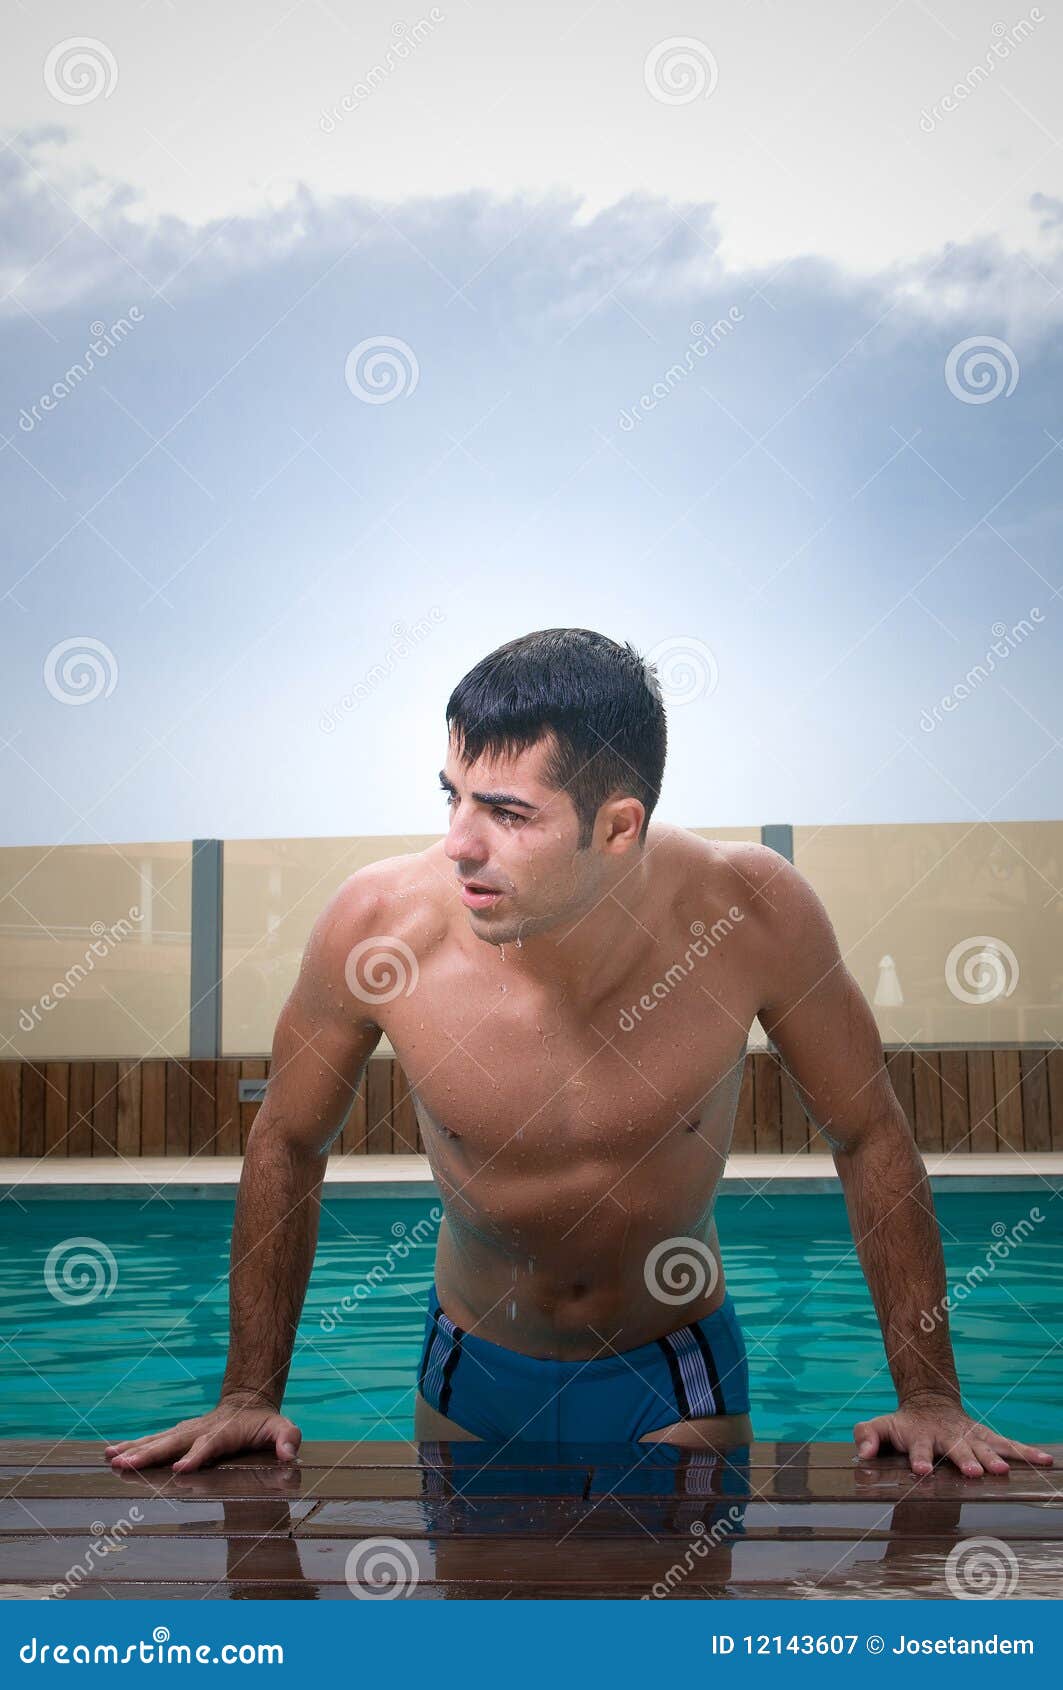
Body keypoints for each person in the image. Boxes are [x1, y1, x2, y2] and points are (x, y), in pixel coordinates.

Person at [104, 628, 1053, 1479]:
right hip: (471, 1368)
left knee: (677, 1649)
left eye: (508, 816)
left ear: (617, 826)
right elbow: (287, 1141)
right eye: (453, 797)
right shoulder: (378, 928)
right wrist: (247, 1394)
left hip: (672, 1368)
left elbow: (868, 1133)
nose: (458, 845)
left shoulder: (749, 914)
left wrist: (928, 1396)